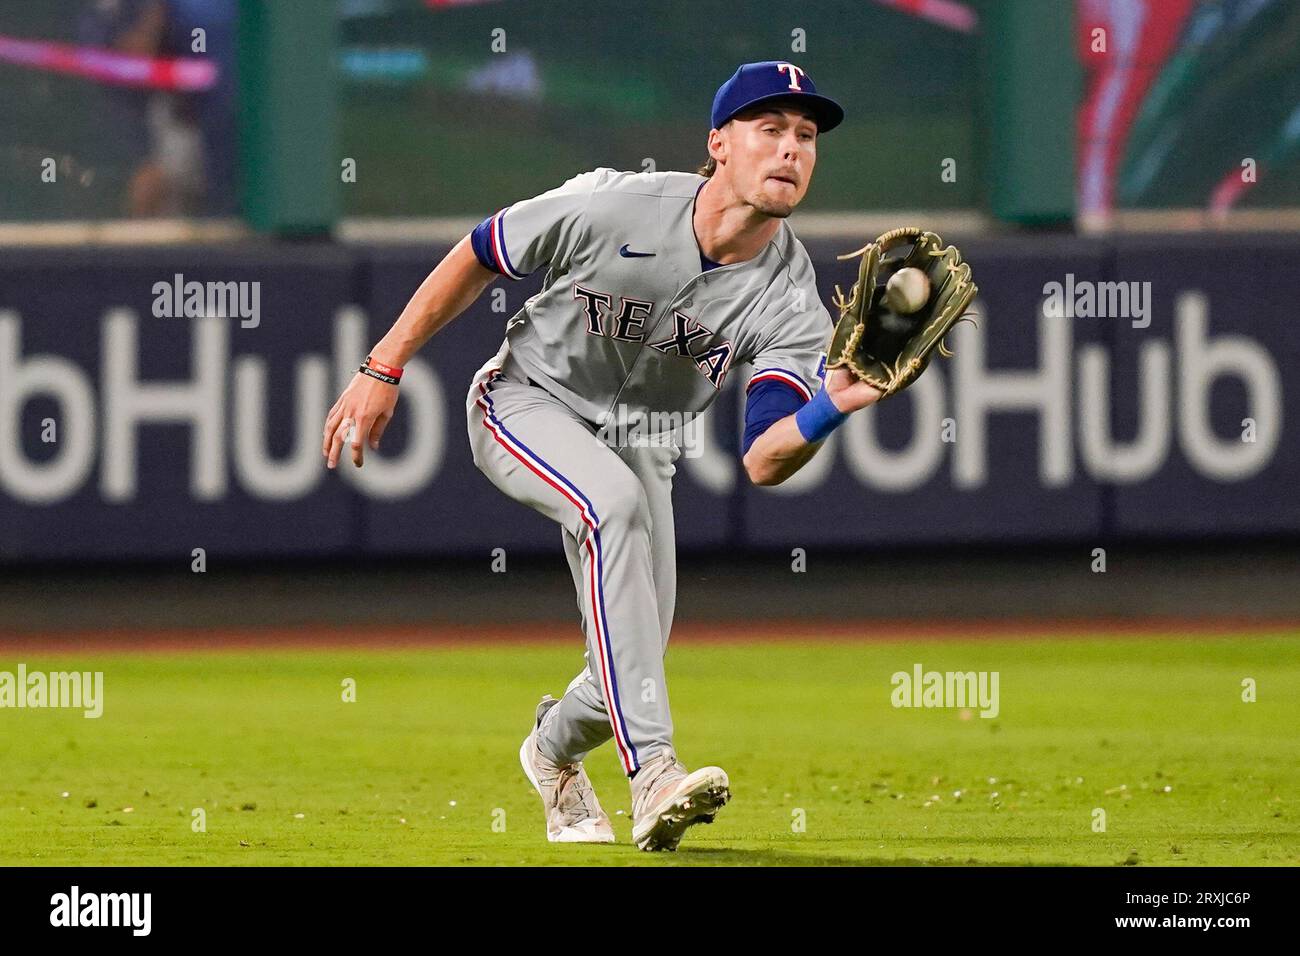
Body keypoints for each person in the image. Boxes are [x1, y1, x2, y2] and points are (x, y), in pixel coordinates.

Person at [322, 61, 882, 851]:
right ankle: (653, 772)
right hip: (527, 399)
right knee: (608, 507)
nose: (791, 149)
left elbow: (763, 459)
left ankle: (551, 750)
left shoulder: (790, 295)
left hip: (649, 441)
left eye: (806, 136)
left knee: (635, 656)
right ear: (718, 143)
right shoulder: (616, 203)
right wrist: (383, 365)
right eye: (770, 130)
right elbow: (482, 250)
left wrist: (833, 405)